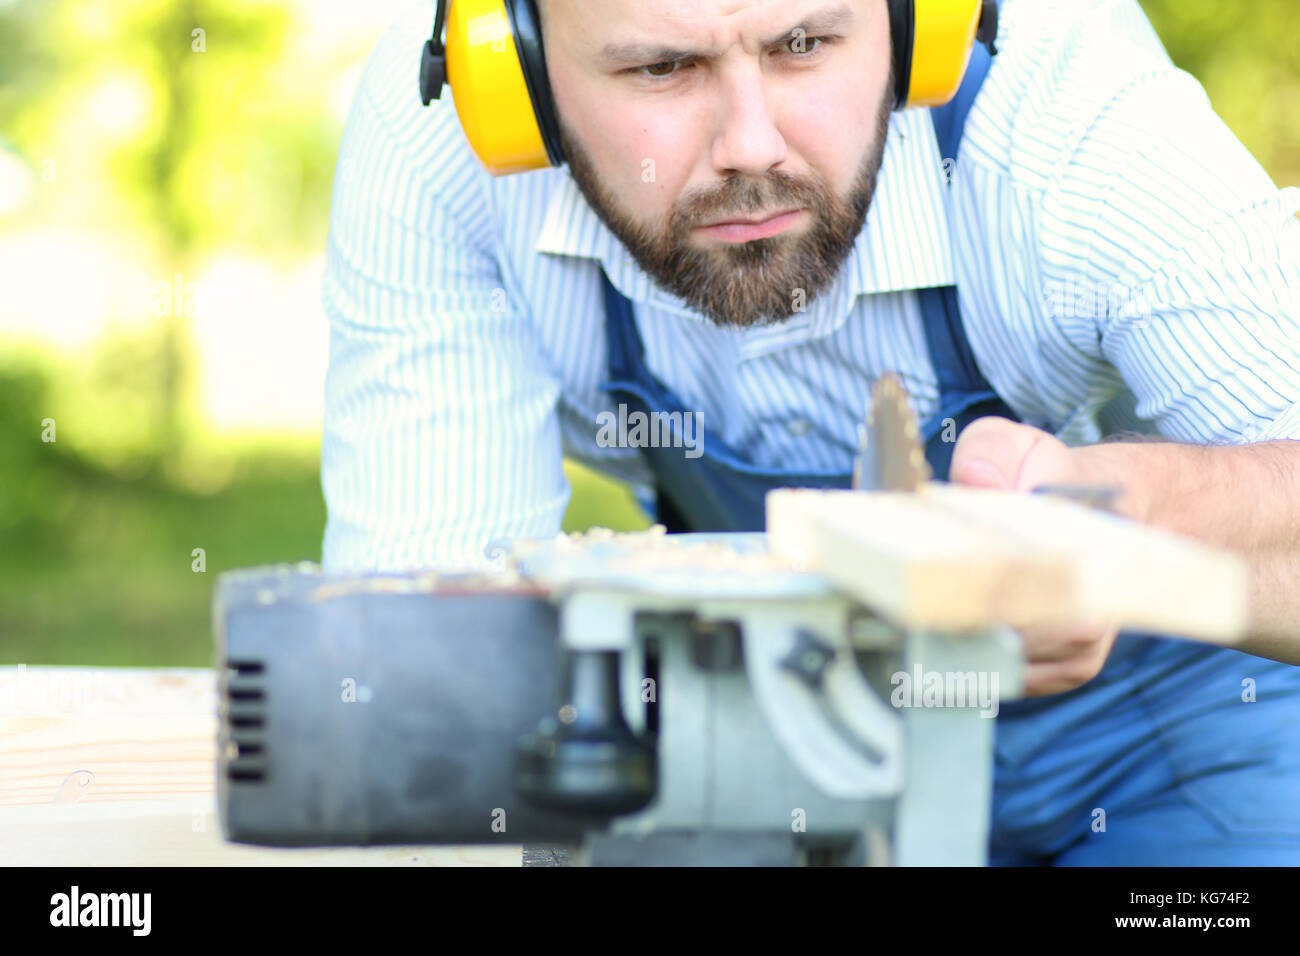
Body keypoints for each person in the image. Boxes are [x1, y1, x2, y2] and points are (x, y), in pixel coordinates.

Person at [319, 0, 1300, 864]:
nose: (750, 144)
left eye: (803, 43)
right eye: (660, 67)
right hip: (765, 716)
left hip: (1174, 734)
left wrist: (1125, 531)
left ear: (921, 27)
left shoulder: (1074, 111)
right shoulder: (440, 135)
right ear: (515, 77)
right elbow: (430, 664)